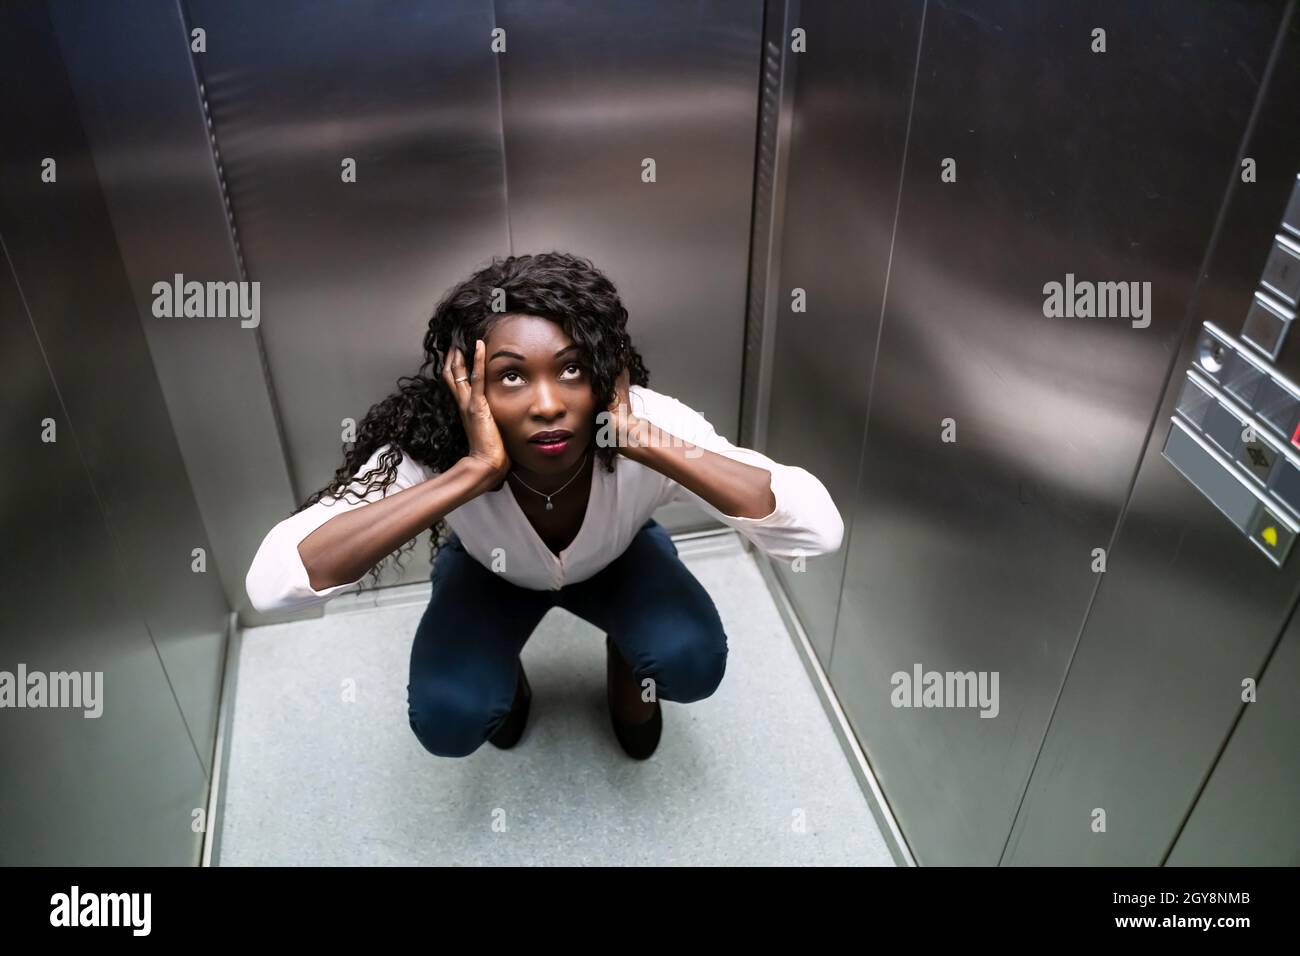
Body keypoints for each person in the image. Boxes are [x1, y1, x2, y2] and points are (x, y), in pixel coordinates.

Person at [245, 252, 843, 760]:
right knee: (455, 718)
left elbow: (819, 530)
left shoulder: (644, 422)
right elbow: (272, 584)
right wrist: (472, 474)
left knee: (689, 660)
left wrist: (638, 439)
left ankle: (628, 663)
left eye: (572, 369)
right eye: (511, 378)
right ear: (469, 387)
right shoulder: (436, 445)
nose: (548, 403)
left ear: (604, 375)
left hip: (619, 564)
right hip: (492, 574)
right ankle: (509, 683)